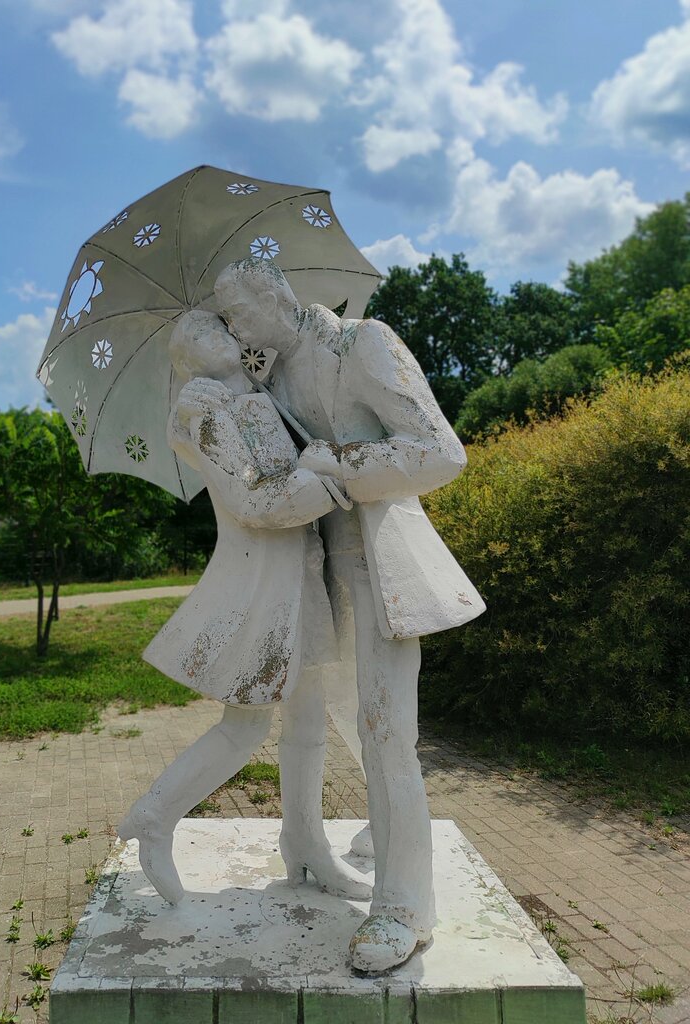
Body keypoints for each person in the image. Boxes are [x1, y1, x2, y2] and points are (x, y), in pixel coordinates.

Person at [215, 258, 486, 973]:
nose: (236, 329)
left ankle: (403, 907)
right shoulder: (266, 375)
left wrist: (334, 460)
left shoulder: (363, 343)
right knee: (314, 720)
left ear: (276, 296)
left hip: (382, 568)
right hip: (311, 575)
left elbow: (440, 451)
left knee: (387, 730)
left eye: (240, 314)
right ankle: (306, 848)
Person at [118, 310, 371, 906]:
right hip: (258, 587)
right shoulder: (204, 411)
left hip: (301, 581)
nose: (222, 334)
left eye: (221, 325)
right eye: (200, 334)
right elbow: (251, 500)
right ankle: (155, 816)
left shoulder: (259, 394)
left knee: (309, 720)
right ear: (185, 362)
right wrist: (330, 480)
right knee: (245, 724)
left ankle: (306, 841)